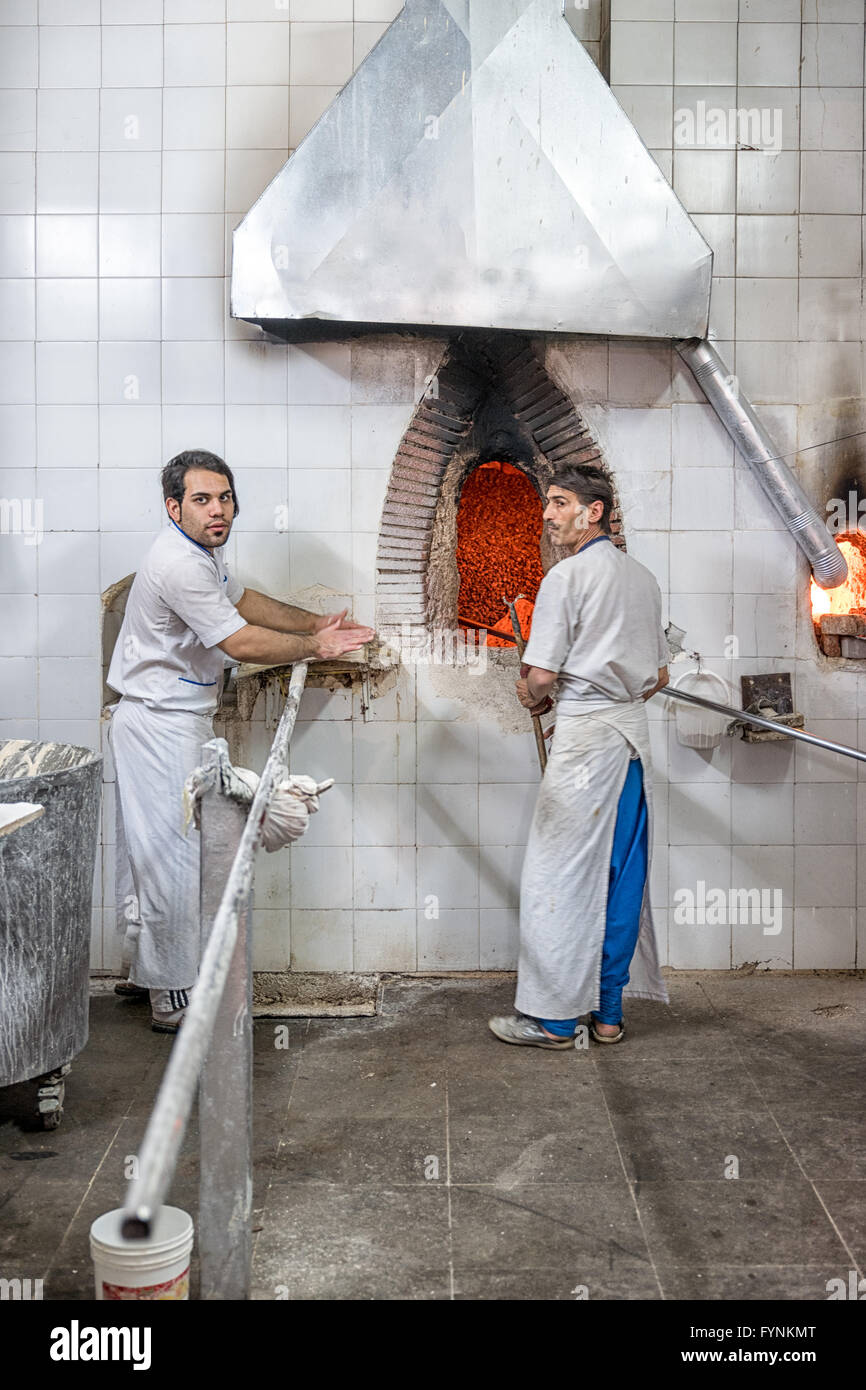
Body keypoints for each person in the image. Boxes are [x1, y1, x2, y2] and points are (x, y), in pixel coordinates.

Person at [108, 449, 374, 1033]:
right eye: (202, 500)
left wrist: (314, 625)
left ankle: (144, 972)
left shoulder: (204, 555)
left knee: (149, 854)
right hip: (159, 723)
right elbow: (238, 641)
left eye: (225, 497)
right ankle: (173, 995)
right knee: (177, 859)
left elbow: (244, 601)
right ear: (173, 507)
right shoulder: (177, 563)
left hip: (166, 719)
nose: (218, 509)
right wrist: (316, 650)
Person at [488, 466, 669, 1050]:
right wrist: (596, 688)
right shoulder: (643, 579)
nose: (548, 514)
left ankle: (554, 1022)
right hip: (631, 745)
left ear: (595, 511)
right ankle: (609, 1016)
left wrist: (534, 691)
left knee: (560, 877)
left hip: (587, 744)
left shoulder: (565, 578)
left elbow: (540, 675)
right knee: (619, 877)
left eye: (560, 503)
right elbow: (657, 677)